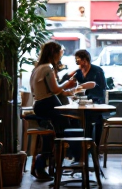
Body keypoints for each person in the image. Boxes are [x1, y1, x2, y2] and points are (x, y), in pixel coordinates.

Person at [29, 41, 80, 180]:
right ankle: (75, 158)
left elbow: (48, 91)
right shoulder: (47, 68)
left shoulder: (38, 68)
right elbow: (55, 90)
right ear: (54, 53)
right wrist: (68, 83)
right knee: (66, 129)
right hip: (47, 104)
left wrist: (70, 91)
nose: (60, 57)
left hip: (41, 103)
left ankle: (53, 162)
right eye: (59, 53)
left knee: (58, 131)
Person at [72, 49, 105, 145]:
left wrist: (85, 86)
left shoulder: (97, 71)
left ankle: (94, 146)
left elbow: (102, 87)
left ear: (85, 60)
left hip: (97, 101)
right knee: (75, 117)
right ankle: (82, 146)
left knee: (93, 117)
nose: (78, 63)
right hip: (83, 101)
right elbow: (71, 84)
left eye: (79, 60)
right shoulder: (78, 72)